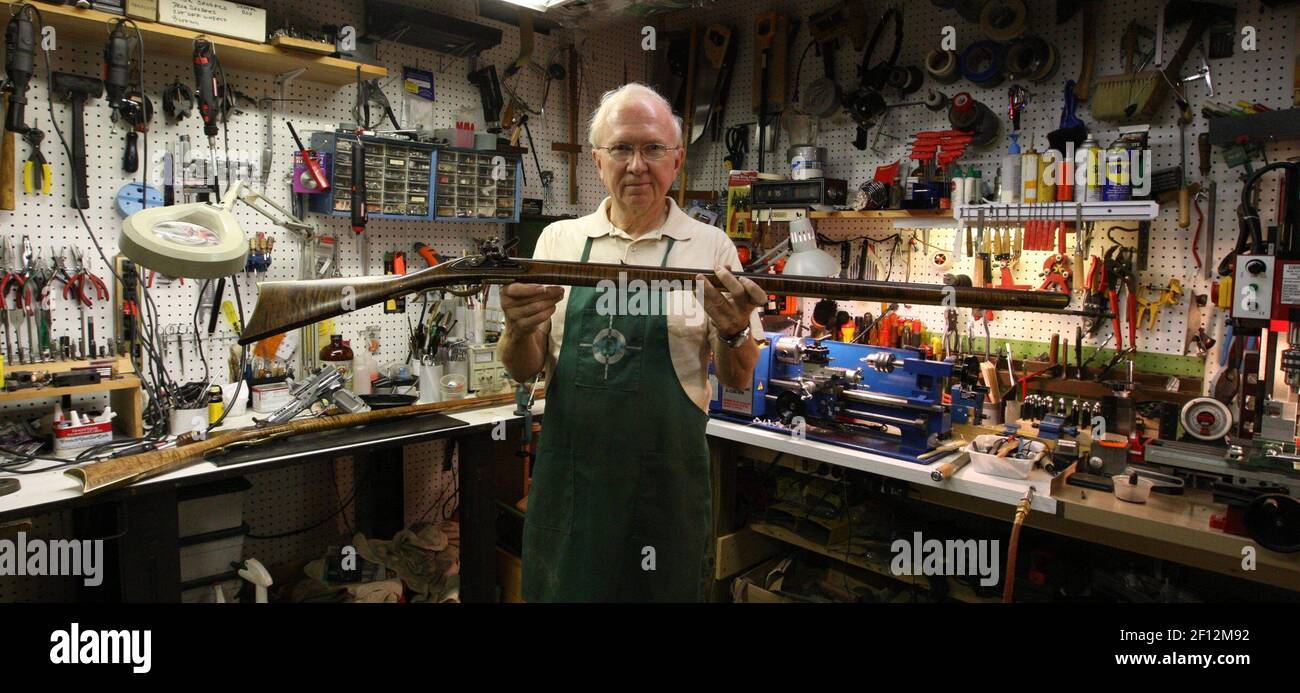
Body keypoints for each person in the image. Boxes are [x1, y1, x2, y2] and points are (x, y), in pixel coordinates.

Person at [498, 83, 765, 602]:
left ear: (677, 160)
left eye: (652, 148)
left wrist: (734, 331)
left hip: (665, 495)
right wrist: (516, 329)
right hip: (573, 492)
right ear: (598, 160)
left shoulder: (711, 248)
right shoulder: (559, 241)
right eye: (621, 148)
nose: (637, 164)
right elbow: (522, 369)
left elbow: (738, 379)